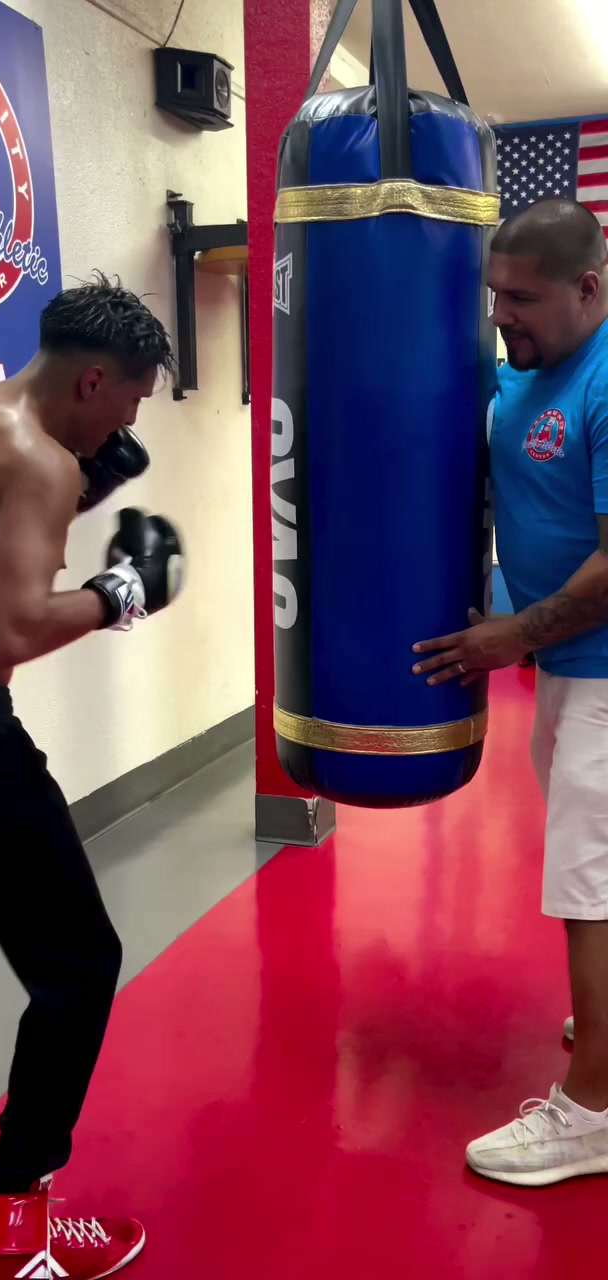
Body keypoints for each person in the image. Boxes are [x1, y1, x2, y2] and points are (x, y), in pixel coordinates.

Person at [0, 273, 182, 1277]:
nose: (129, 422)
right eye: (132, 398)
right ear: (94, 379)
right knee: (79, 963)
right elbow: (8, 627)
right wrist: (122, 590)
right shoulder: (41, 461)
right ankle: (14, 1216)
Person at [412, 198, 608, 1187]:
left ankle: (594, 1113)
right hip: (570, 669)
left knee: (589, 885)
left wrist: (508, 636)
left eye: (522, 299)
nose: (502, 317)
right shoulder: (523, 371)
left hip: (602, 670)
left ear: (589, 288)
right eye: (494, 296)